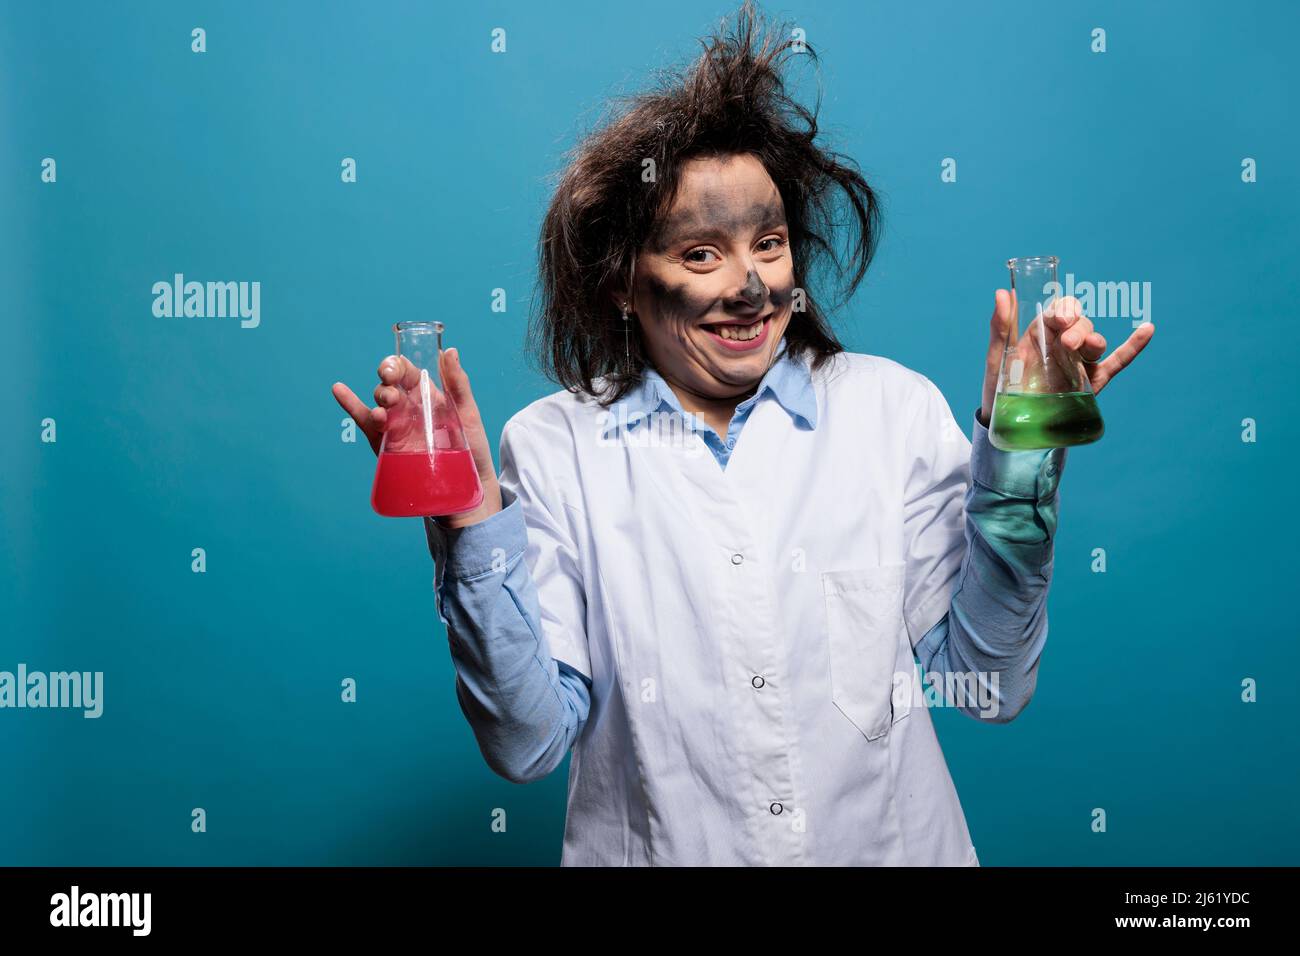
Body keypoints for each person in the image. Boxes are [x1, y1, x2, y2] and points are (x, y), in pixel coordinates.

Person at [332, 1, 1154, 866]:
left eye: (769, 243)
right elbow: (526, 743)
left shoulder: (892, 412)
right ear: (621, 282)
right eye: (699, 254)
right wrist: (467, 524)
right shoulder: (554, 448)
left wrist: (1019, 467)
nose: (752, 285)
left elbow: (986, 686)